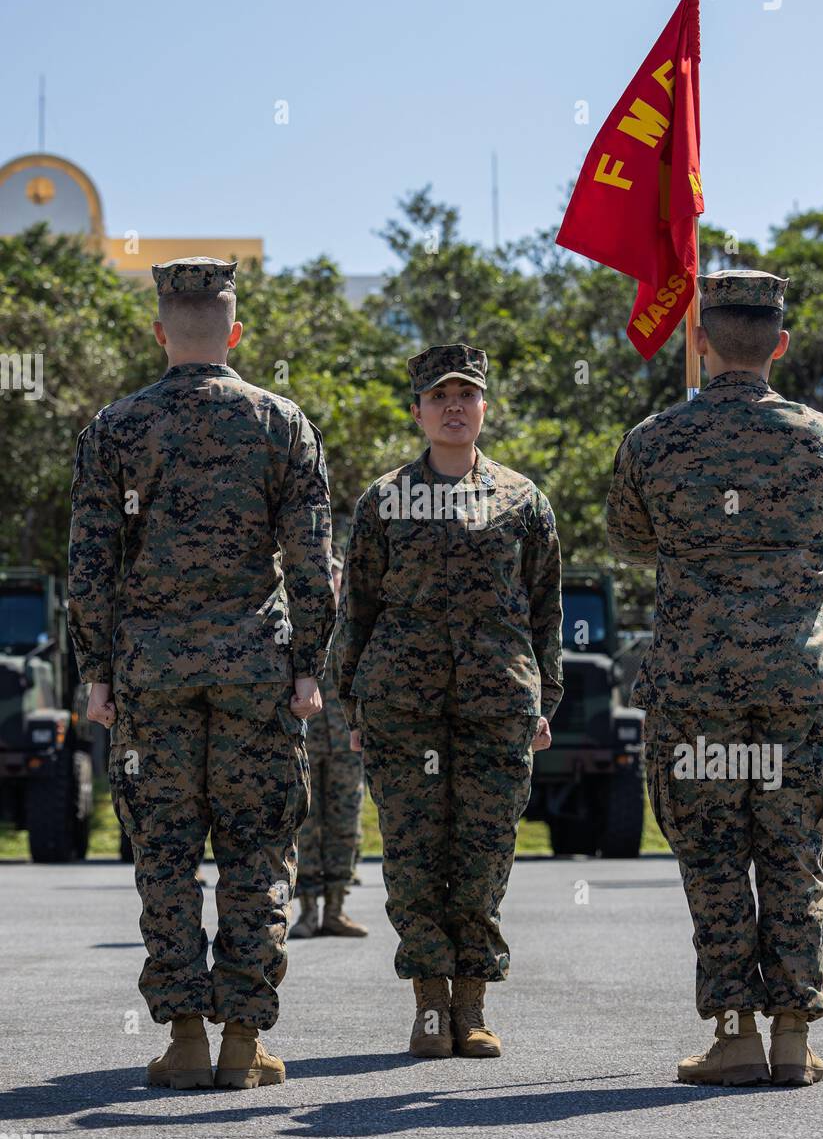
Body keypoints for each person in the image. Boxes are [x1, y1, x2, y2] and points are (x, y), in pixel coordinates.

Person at [68, 256, 335, 1091]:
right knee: (257, 855)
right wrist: (306, 667)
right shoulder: (280, 422)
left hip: (151, 674)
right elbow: (314, 564)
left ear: (160, 331)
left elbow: (89, 566)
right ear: (235, 331)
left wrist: (98, 673)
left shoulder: (116, 427)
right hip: (255, 669)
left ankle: (184, 1035)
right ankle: (242, 1040)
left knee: (164, 856)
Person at [606, 269, 823, 1088]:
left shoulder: (653, 439)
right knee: (794, 853)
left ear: (700, 341)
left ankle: (734, 1033)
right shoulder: (819, 435)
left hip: (696, 684)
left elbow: (629, 540)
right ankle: (794, 1035)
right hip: (796, 676)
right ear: (780, 343)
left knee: (712, 857)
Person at [334, 342, 562, 1059]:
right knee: (409, 857)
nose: (454, 406)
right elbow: (358, 609)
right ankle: (430, 1007)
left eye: (466, 394)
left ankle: (473, 1005)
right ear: (418, 412)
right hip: (402, 707)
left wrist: (543, 699)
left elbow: (545, 608)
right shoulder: (383, 499)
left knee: (484, 857)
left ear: (485, 408)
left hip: (498, 706)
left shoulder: (523, 500)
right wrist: (353, 707)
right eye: (439, 397)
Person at [291, 551, 368, 939]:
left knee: (344, 824)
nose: (332, 583)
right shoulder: (297, 625)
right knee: (305, 823)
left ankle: (336, 908)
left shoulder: (354, 626)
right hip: (305, 740)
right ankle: (306, 910)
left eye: (336, 576)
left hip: (347, 741)